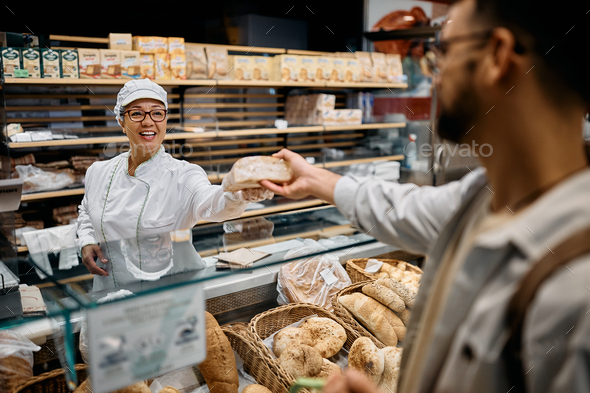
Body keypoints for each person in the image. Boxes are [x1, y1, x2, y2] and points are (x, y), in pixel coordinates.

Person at [261, 0, 590, 391]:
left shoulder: (575, 289)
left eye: (442, 53)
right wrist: (314, 178)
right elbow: (405, 209)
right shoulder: (480, 197)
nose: (433, 75)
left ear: (498, 56)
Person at [76, 79, 273, 291]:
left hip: (166, 296)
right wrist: (86, 240)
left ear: (165, 120)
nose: (148, 121)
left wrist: (237, 192)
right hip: (107, 293)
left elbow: (210, 202)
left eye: (157, 113)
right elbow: (87, 211)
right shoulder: (98, 171)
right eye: (136, 113)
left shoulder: (183, 174)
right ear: (121, 122)